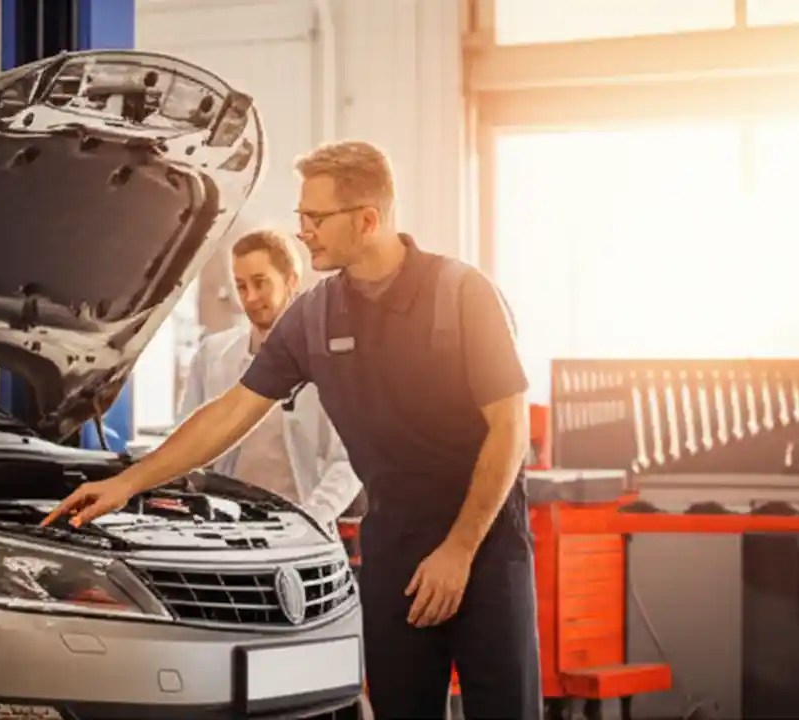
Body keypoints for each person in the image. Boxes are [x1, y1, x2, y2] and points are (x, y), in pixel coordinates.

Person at [43, 140, 540, 720]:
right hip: (394, 546)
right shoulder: (315, 315)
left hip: (483, 541)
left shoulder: (461, 294)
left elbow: (510, 427)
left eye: (315, 218)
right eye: (301, 216)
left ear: (369, 219)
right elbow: (232, 411)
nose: (302, 231)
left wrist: (459, 549)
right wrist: (131, 482)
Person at [177, 228, 363, 529]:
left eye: (260, 283)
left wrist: (308, 521)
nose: (250, 298)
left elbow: (349, 461)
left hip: (303, 527)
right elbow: (187, 444)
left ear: (291, 280)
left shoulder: (332, 364)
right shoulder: (211, 356)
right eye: (241, 286)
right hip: (227, 525)